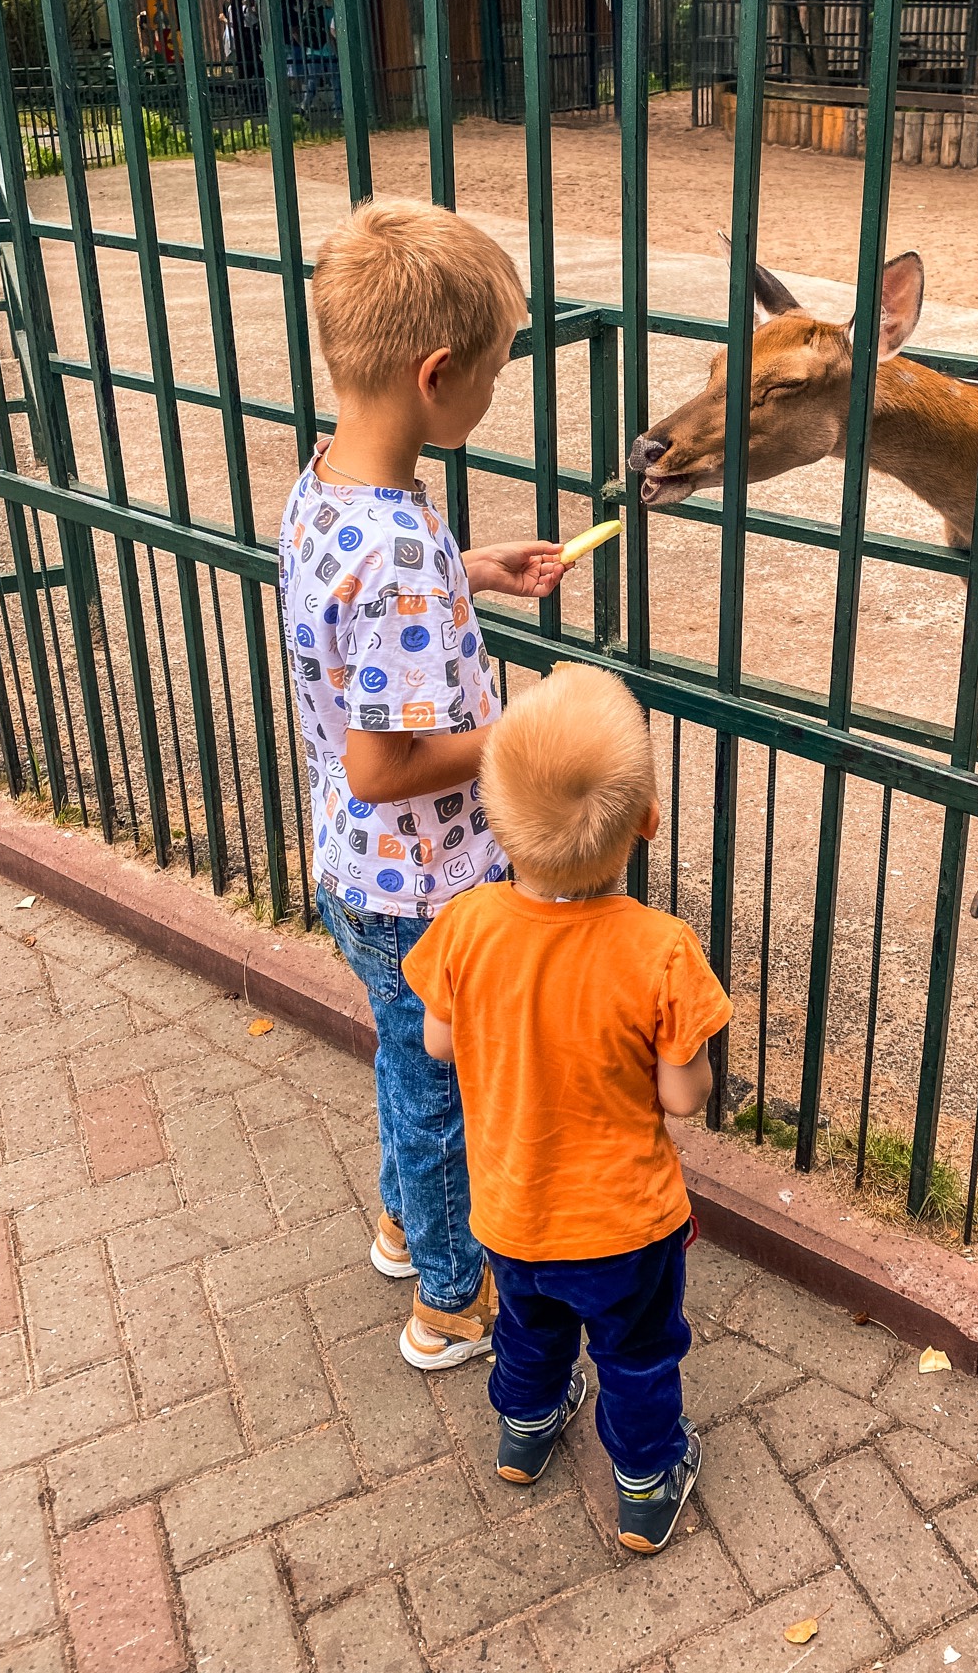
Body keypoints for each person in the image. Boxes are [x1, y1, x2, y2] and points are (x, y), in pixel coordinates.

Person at [278, 198, 567, 1372]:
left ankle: (404, 1226)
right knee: (440, 1084)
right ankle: (450, 1298)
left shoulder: (336, 482)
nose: (495, 391)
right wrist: (517, 733)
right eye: (494, 373)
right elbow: (384, 760)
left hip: (356, 866)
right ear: (437, 372)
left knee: (407, 1056)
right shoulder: (395, 548)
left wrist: (471, 569)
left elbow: (369, 632)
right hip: (418, 885)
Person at [408, 665, 732, 1554]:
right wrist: (693, 1078)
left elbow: (437, 1045)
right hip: (627, 1225)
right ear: (646, 825)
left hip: (512, 1211)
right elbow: (681, 1101)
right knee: (636, 1354)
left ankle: (525, 1429)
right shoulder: (661, 952)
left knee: (528, 1326)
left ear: (496, 821)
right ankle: (644, 1479)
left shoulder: (467, 928)